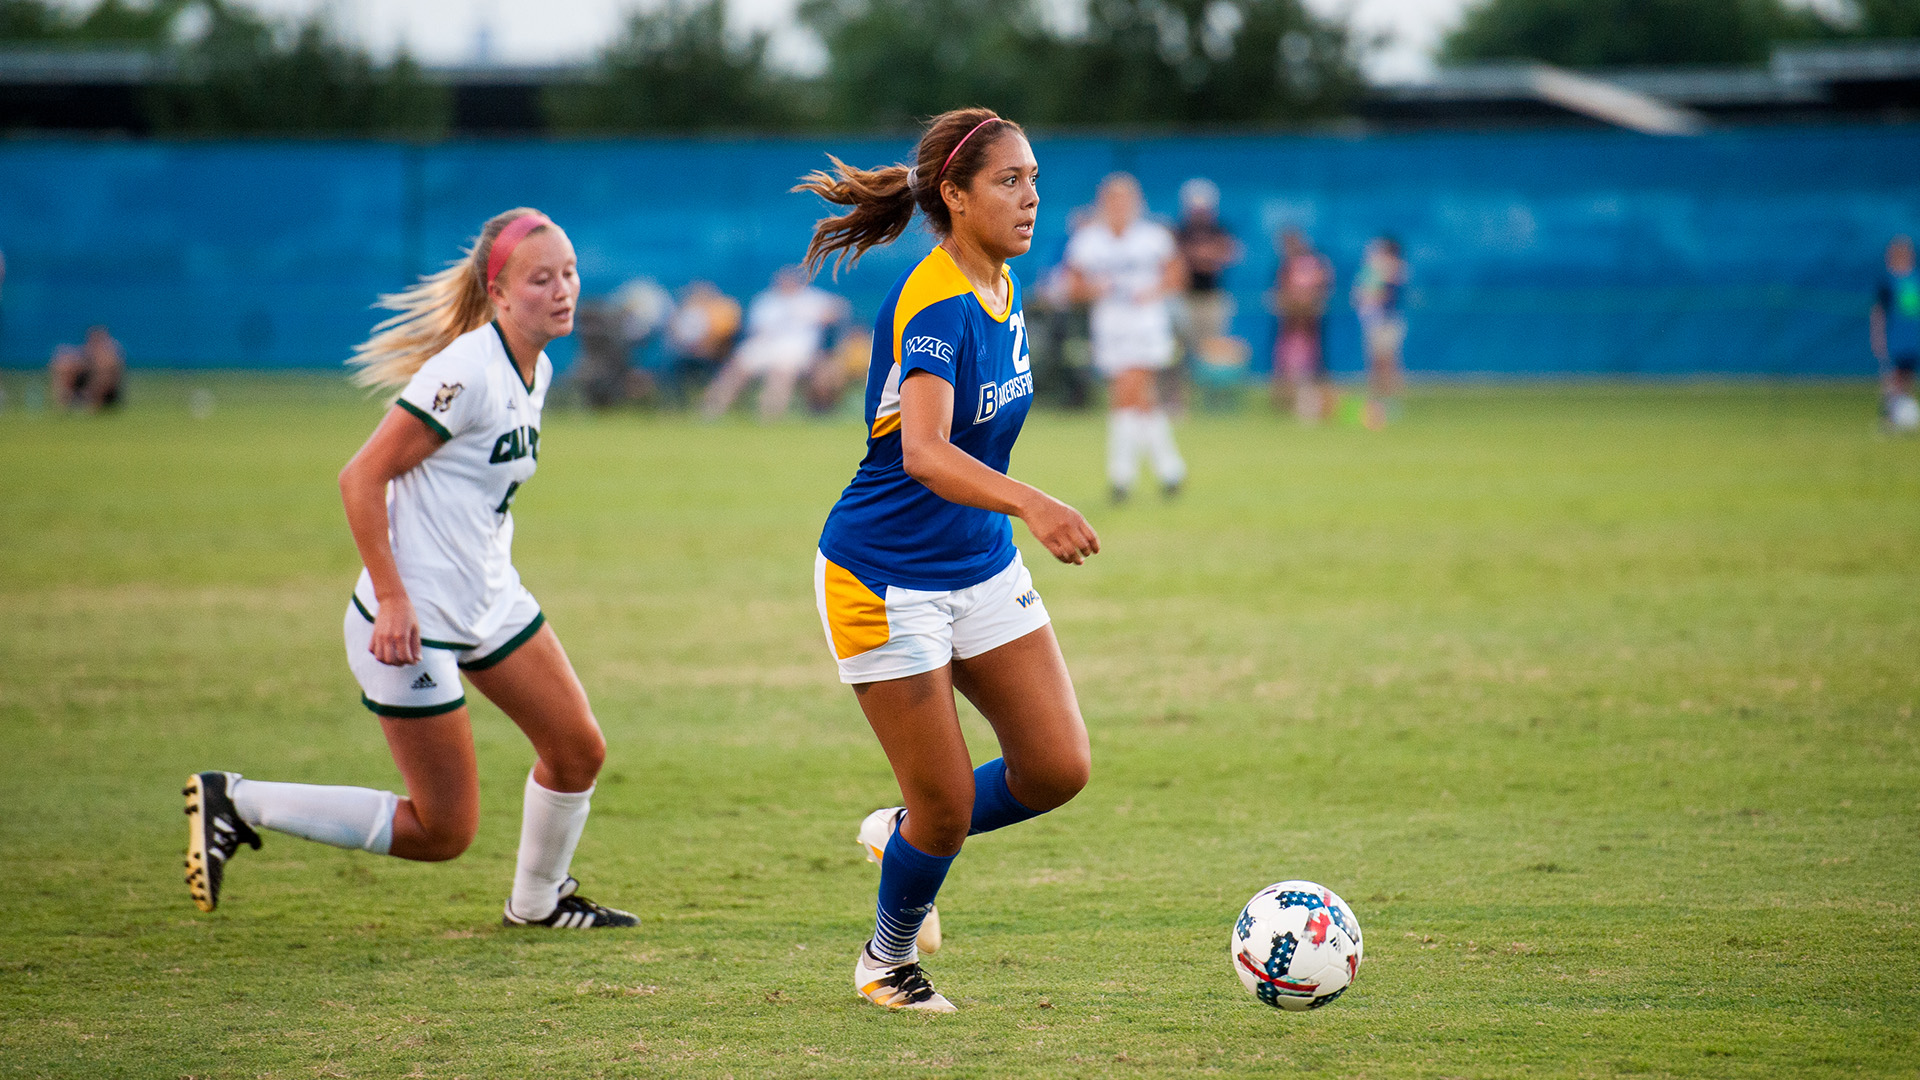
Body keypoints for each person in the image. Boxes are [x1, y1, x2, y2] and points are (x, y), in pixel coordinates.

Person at [183, 208, 636, 930]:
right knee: (442, 831)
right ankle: (235, 800)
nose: (564, 290)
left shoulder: (538, 366)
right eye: (541, 278)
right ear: (499, 294)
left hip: (489, 601)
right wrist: (392, 600)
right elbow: (360, 478)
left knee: (577, 749)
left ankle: (539, 903)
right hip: (415, 620)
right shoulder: (466, 371)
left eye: (570, 273)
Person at [795, 106, 1098, 1012]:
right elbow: (924, 452)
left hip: (980, 568)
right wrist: (1034, 502)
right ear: (956, 197)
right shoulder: (934, 299)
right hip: (882, 579)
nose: (1031, 197)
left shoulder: (1003, 285)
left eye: (1035, 178)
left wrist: (1011, 516)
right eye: (1009, 181)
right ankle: (885, 962)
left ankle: (901, 834)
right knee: (947, 813)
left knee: (1056, 768)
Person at [1065, 174, 1187, 502]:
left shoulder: (1153, 237)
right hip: (1109, 328)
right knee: (1140, 400)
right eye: (1112, 200)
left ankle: (1121, 476)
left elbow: (1177, 274)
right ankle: (1170, 470)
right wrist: (1094, 289)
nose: (1119, 207)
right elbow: (1072, 285)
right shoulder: (1088, 239)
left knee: (1126, 392)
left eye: (1125, 200)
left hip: (1147, 325)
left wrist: (1154, 291)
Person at [701, 266, 849, 421]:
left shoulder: (812, 299)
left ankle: (769, 415)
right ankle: (711, 411)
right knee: (736, 368)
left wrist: (822, 316)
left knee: (781, 372)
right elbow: (756, 330)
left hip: (797, 352)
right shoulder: (766, 300)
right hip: (765, 347)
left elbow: (840, 309)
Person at [1172, 178, 1244, 389]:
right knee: (1179, 349)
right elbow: (1177, 260)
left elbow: (1229, 254)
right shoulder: (1180, 231)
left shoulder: (1220, 230)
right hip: (1185, 297)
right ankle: (1178, 395)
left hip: (1212, 297)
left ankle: (1211, 395)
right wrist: (1204, 256)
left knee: (1211, 350)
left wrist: (1199, 257)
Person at [1269, 230, 1333, 421]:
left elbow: (1322, 288)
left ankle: (1312, 404)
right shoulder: (1285, 265)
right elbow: (1280, 292)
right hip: (1290, 322)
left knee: (1311, 364)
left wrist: (1305, 302)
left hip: (1309, 322)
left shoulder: (1314, 262)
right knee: (1286, 361)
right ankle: (1288, 402)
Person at [1353, 235, 1408, 430]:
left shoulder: (1394, 268)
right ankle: (1376, 403)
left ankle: (1392, 402)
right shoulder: (1371, 270)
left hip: (1387, 320)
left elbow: (1387, 288)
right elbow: (1360, 294)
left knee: (1389, 362)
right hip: (1372, 321)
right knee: (1374, 363)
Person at [664, 280, 742, 403]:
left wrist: (705, 346)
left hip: (713, 354)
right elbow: (675, 334)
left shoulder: (722, 310)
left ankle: (712, 403)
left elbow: (725, 335)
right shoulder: (687, 311)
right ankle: (676, 404)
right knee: (670, 367)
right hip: (687, 353)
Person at [1872, 235, 1919, 430]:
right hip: (1897, 338)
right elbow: (1879, 312)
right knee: (1894, 376)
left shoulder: (1915, 279)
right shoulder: (1888, 282)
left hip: (1914, 337)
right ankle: (1888, 416)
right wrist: (1878, 338)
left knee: (1907, 375)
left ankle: (1900, 415)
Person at [50, 325, 125, 412]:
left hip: (106, 396)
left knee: (103, 369)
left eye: (100, 341)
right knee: (65, 364)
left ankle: (93, 406)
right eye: (94, 341)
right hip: (83, 391)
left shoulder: (109, 358)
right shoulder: (83, 356)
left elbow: (107, 382)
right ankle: (64, 406)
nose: (97, 345)